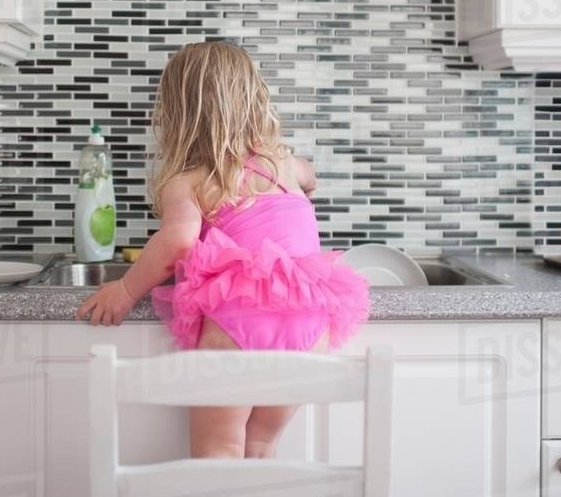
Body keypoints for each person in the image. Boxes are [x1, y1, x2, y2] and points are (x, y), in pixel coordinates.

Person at [75, 40, 369, 459]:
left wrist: (123, 292)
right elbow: (310, 175)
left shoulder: (189, 180)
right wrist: (301, 184)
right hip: (310, 319)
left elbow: (177, 242)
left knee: (219, 449)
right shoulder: (284, 162)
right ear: (254, 100)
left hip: (239, 319)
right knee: (260, 445)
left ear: (177, 114)